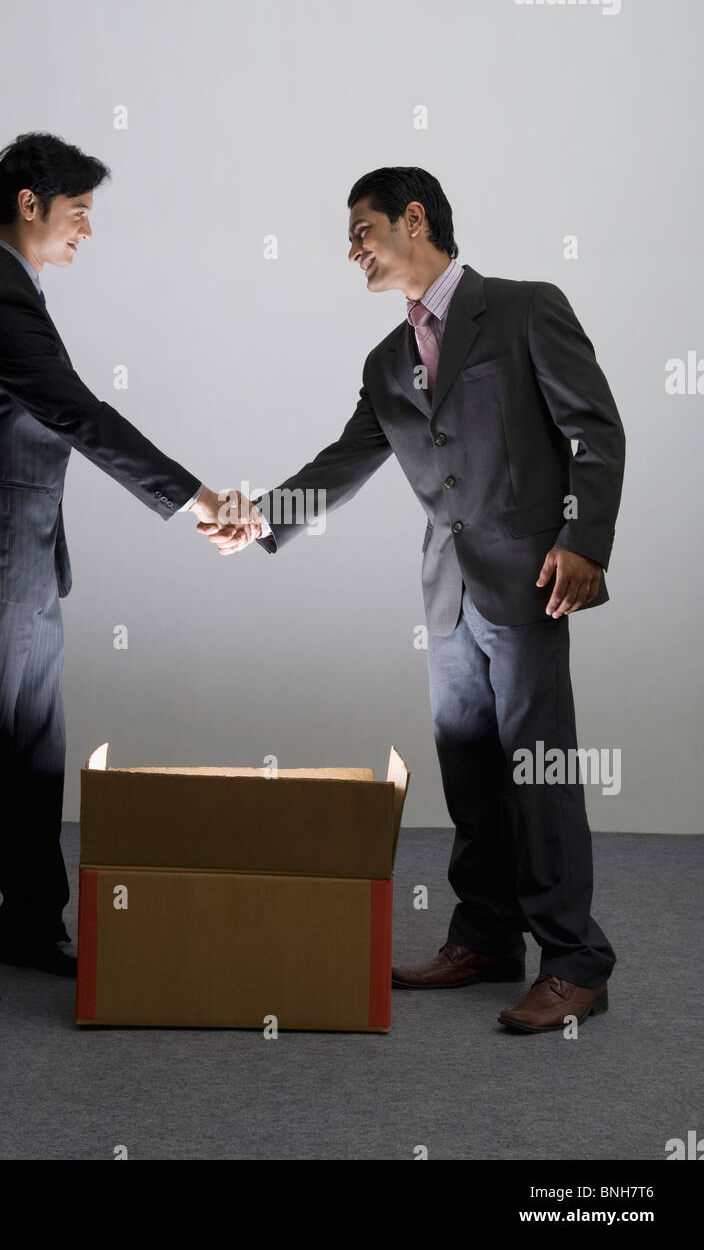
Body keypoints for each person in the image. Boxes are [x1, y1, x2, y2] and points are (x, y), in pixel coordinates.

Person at [199, 165, 625, 1034]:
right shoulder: (386, 361)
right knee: (470, 772)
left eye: (362, 229)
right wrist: (261, 521)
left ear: (414, 218)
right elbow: (343, 464)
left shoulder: (523, 308)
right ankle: (488, 939)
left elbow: (595, 428)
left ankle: (577, 961)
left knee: (539, 773)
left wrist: (583, 542)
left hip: (531, 582)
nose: (350, 249)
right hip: (448, 595)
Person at [0, 131, 253, 1015]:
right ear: (30, 203)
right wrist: (202, 501)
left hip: (23, 566)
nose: (88, 231)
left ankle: (28, 925)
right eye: (79, 213)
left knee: (30, 755)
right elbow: (84, 419)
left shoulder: (15, 292)